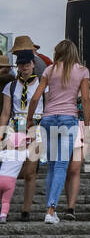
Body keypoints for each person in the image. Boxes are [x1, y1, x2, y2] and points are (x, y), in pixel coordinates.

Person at [24, 39, 90, 224]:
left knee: (52, 166)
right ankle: (51, 209)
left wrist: (30, 118)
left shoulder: (50, 70)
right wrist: (87, 123)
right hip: (68, 119)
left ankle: (51, 209)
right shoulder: (82, 71)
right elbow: (86, 99)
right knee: (61, 166)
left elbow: (35, 97)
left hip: (48, 119)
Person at [0, 46, 43, 221]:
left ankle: (26, 210)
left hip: (36, 127)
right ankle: (4, 207)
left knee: (31, 171)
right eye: (20, 64)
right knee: (9, 169)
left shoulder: (43, 85)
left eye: (26, 63)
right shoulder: (10, 86)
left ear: (33, 64)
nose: (24, 67)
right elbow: (5, 112)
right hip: (15, 126)